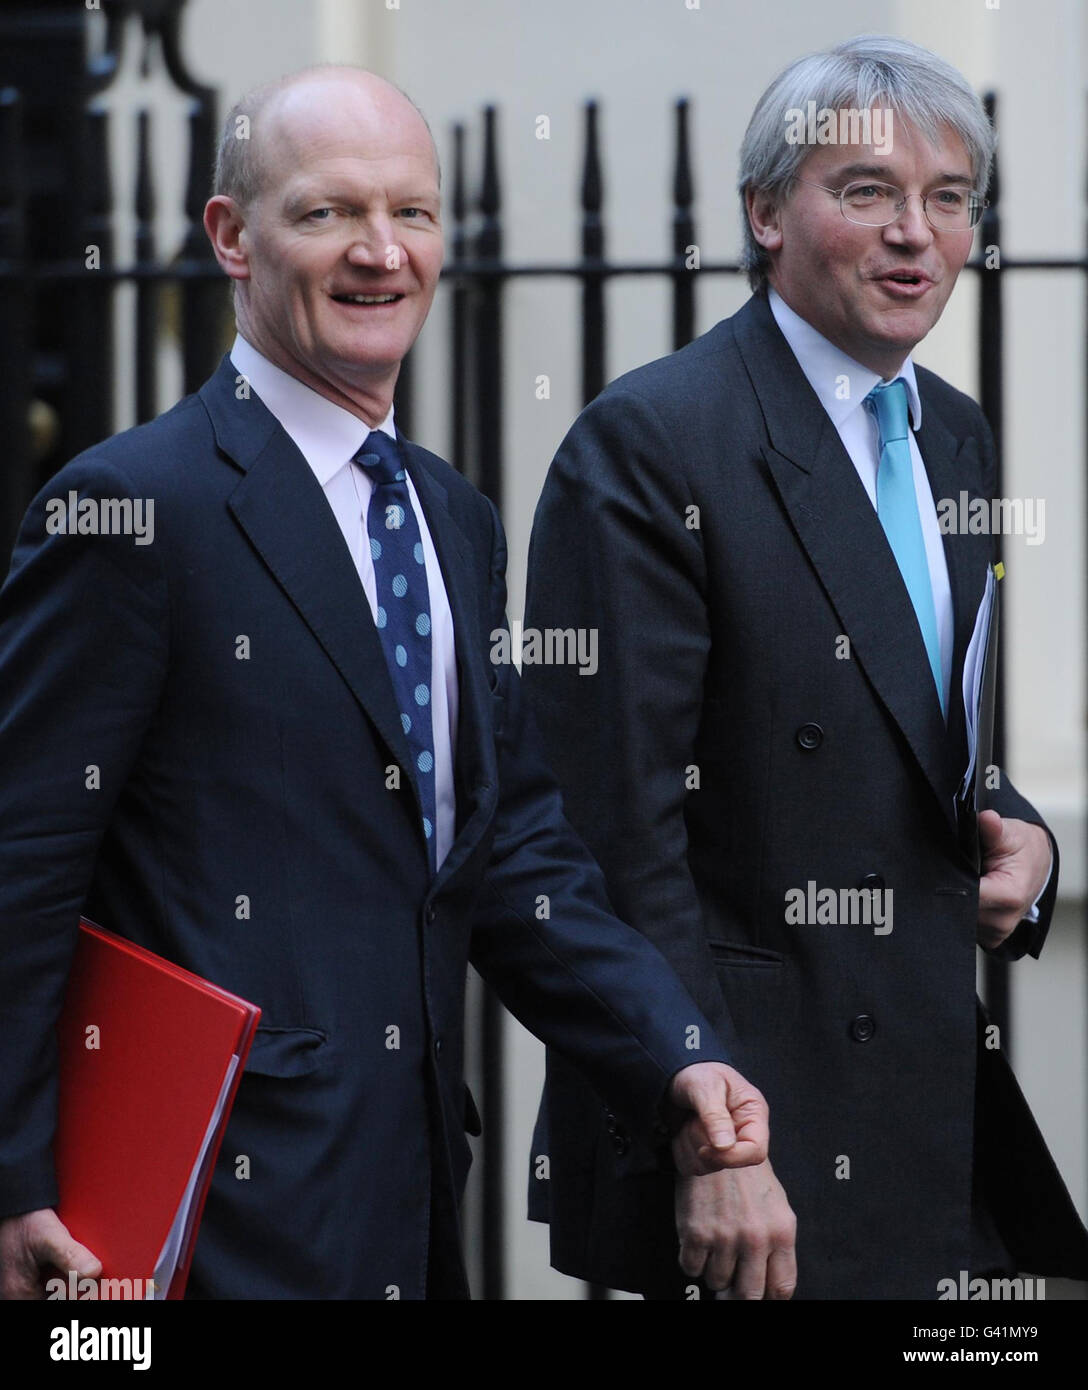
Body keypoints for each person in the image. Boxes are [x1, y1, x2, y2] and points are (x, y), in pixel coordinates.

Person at [0, 66, 770, 1302]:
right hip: (188, 1229)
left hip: (405, 1203)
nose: (380, 252)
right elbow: (22, 860)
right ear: (230, 238)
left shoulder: (451, 519)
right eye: (325, 213)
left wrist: (674, 1059)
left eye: (410, 213)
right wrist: (13, 1180)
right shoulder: (131, 506)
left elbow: (508, 849)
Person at [523, 34, 1088, 1300]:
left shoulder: (950, 433)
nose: (915, 235)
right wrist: (713, 1136)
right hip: (754, 1137)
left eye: (947, 198)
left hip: (927, 1106)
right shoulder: (650, 444)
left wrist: (1027, 843)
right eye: (866, 192)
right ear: (765, 213)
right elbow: (616, 836)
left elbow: (927, 730)